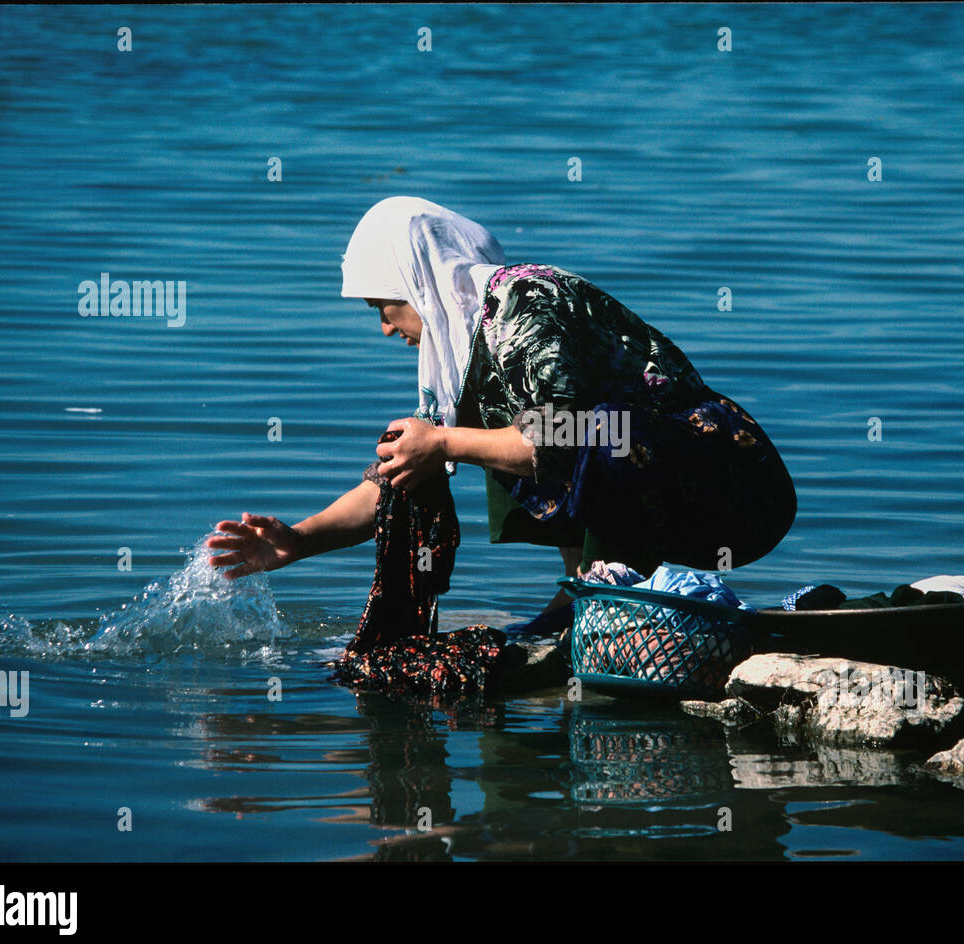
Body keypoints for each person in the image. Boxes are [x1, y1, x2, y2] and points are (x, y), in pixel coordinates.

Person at [207, 196, 796, 634]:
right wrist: (297, 541)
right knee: (469, 436)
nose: (386, 328)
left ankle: (602, 597)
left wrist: (443, 444)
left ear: (417, 282)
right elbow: (397, 473)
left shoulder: (524, 302)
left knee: (538, 433)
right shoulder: (461, 353)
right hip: (659, 483)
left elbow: (568, 437)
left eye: (383, 308)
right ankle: (585, 597)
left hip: (731, 485)